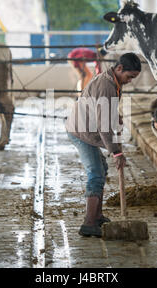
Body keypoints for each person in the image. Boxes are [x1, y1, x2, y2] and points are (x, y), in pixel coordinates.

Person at [65, 53, 141, 237]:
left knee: (101, 169)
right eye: (129, 77)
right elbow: (103, 126)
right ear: (120, 68)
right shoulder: (107, 85)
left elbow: (105, 112)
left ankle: (97, 216)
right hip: (82, 132)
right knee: (96, 174)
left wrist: (117, 117)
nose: (130, 81)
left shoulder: (113, 80)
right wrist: (116, 152)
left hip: (86, 127)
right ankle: (89, 223)